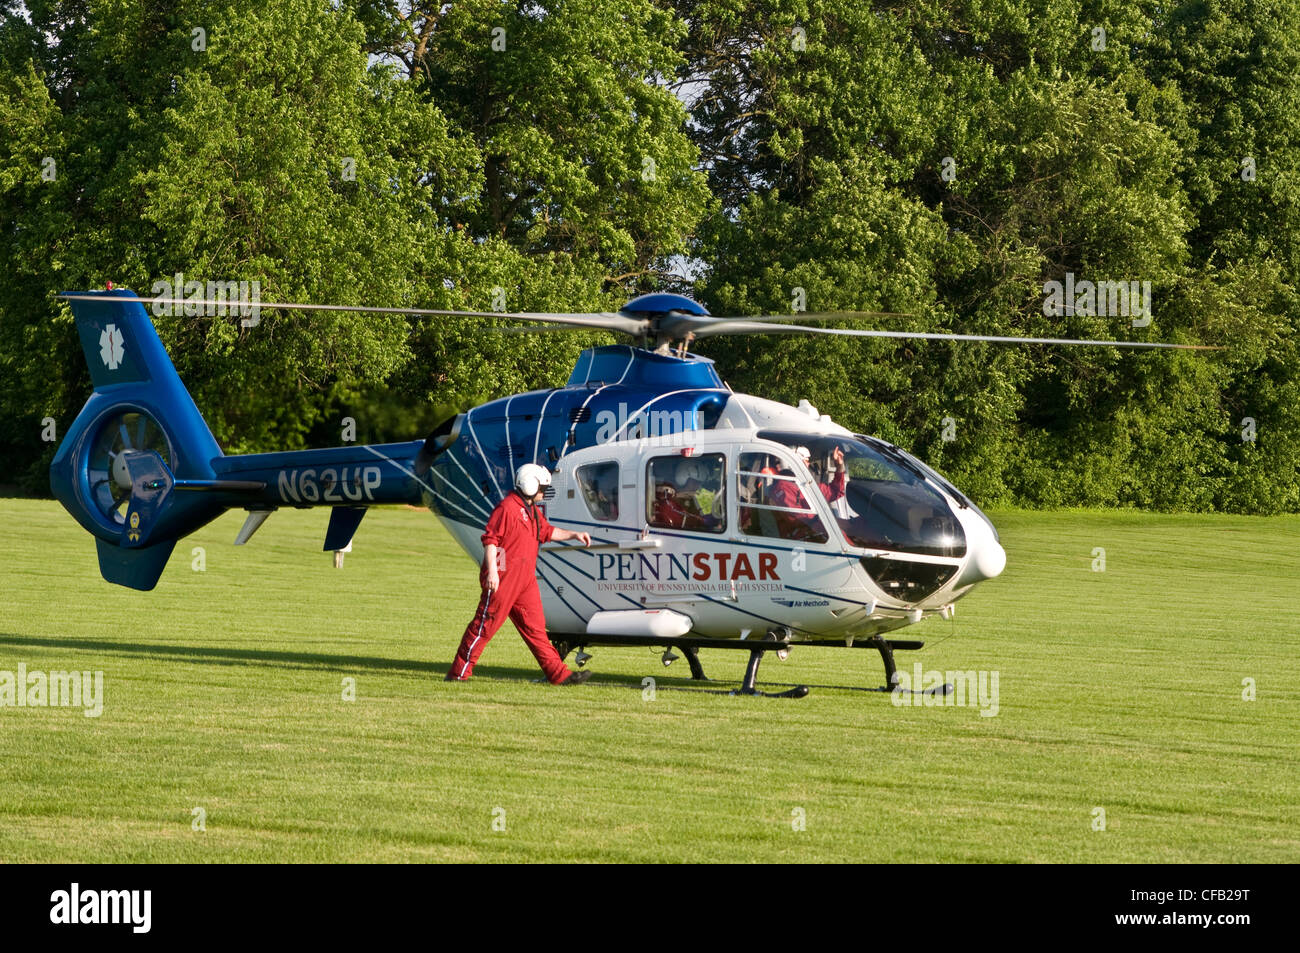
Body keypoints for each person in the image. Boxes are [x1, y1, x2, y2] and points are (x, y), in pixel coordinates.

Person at [446, 463, 593, 685]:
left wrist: (575, 534)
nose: (544, 492)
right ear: (530, 486)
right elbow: (490, 540)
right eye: (542, 488)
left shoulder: (531, 510)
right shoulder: (507, 508)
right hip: (504, 579)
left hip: (525, 580)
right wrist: (493, 574)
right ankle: (459, 673)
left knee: (536, 630)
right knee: (484, 626)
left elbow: (548, 532)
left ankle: (559, 675)